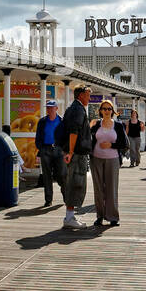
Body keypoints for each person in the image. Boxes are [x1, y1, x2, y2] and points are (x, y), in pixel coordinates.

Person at [90, 100, 127, 227]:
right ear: (100, 111)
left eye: (109, 109)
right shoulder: (96, 124)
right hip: (96, 159)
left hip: (113, 159)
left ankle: (113, 217)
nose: (106, 111)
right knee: (98, 189)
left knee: (111, 188)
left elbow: (124, 144)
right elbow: (89, 139)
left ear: (112, 111)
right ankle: (99, 216)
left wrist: (111, 145)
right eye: (104, 109)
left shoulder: (118, 125)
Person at [61, 86, 93, 230]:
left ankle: (70, 215)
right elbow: (74, 132)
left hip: (74, 152)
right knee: (76, 182)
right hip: (76, 154)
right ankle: (69, 217)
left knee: (74, 182)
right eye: (87, 95)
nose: (89, 98)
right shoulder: (78, 110)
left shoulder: (72, 108)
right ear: (80, 95)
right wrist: (71, 151)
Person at [35, 99, 65, 207]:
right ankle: (48, 200)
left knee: (61, 175)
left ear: (56, 108)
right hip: (46, 150)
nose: (49, 109)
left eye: (51, 107)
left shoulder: (62, 121)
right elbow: (38, 136)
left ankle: (66, 196)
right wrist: (41, 148)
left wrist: (64, 149)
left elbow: (66, 137)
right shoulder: (42, 121)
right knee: (46, 176)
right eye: (48, 107)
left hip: (58, 150)